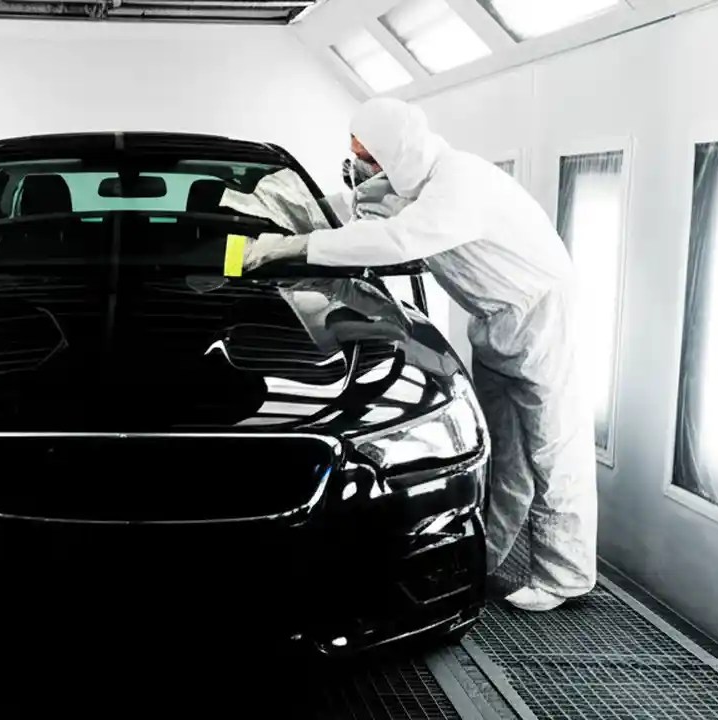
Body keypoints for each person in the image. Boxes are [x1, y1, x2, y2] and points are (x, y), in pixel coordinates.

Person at [243, 97, 598, 612]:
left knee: (551, 446)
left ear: (395, 149)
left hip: (538, 314)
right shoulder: (413, 181)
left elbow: (398, 239)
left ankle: (565, 575)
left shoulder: (459, 183)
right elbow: (352, 209)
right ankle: (489, 556)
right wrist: (268, 208)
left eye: (368, 155)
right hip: (494, 317)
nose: (362, 164)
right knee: (506, 447)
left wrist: (295, 249)